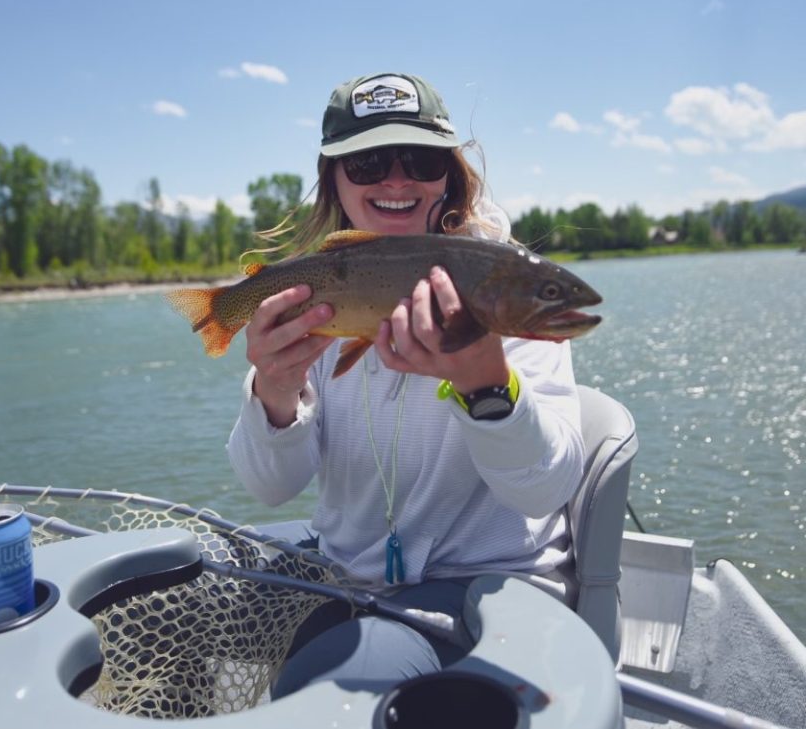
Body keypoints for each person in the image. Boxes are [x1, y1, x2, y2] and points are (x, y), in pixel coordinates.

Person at [226, 71, 586, 697]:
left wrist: (485, 384)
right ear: (333, 177)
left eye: (419, 158)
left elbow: (545, 490)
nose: (396, 180)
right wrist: (276, 394)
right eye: (366, 162)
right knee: (179, 596)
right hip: (348, 571)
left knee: (315, 698)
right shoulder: (321, 289)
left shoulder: (504, 288)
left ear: (448, 173)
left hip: (483, 588)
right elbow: (270, 487)